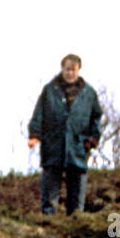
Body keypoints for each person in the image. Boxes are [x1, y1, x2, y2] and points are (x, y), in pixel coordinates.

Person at [27, 54, 103, 215]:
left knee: (76, 195)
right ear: (62, 69)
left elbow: (96, 117)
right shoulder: (50, 90)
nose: (70, 73)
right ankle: (48, 221)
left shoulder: (88, 93)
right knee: (50, 191)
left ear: (78, 70)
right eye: (67, 69)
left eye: (73, 70)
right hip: (53, 146)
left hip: (78, 148)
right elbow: (38, 114)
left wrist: (93, 139)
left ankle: (75, 221)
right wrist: (34, 135)